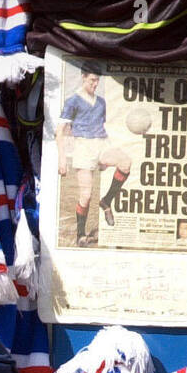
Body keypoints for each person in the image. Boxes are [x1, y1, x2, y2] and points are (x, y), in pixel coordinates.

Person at [57, 62, 133, 246]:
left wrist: (108, 147)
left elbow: (101, 126)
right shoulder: (72, 101)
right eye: (92, 80)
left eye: (97, 80)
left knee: (126, 162)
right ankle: (80, 235)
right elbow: (60, 131)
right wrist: (62, 158)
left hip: (101, 144)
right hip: (83, 147)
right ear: (83, 77)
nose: (95, 84)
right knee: (86, 195)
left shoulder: (101, 102)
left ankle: (106, 201)